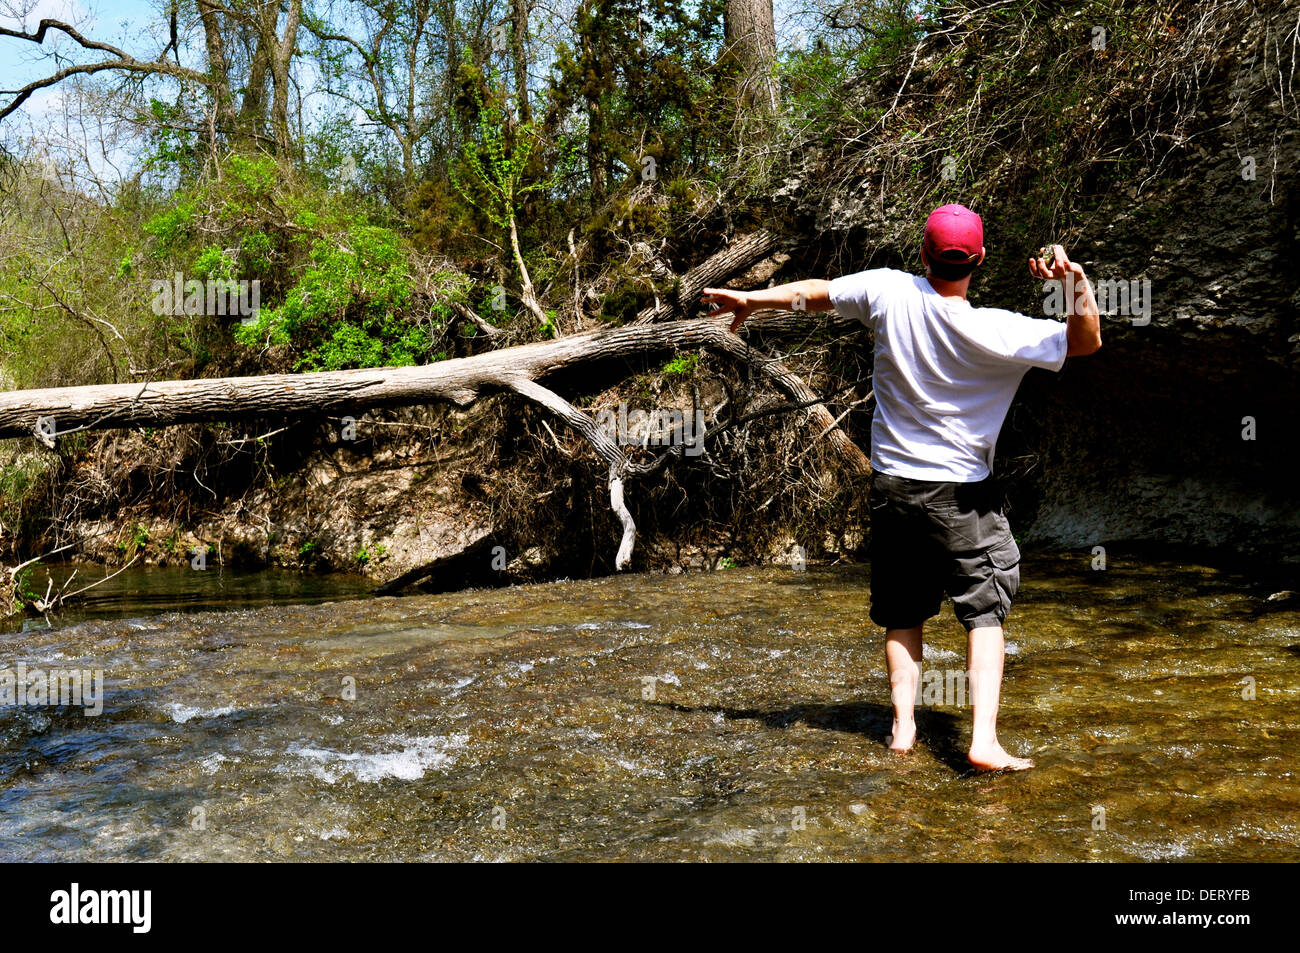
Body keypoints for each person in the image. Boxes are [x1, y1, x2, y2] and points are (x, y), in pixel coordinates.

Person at [701, 204, 1102, 771]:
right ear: (980, 261)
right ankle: (983, 739)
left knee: (902, 609)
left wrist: (752, 300)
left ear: (922, 254)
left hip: (894, 489)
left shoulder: (888, 291)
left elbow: (815, 294)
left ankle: (904, 728)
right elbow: (1084, 343)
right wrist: (1076, 284)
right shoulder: (1001, 331)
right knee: (985, 610)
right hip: (964, 497)